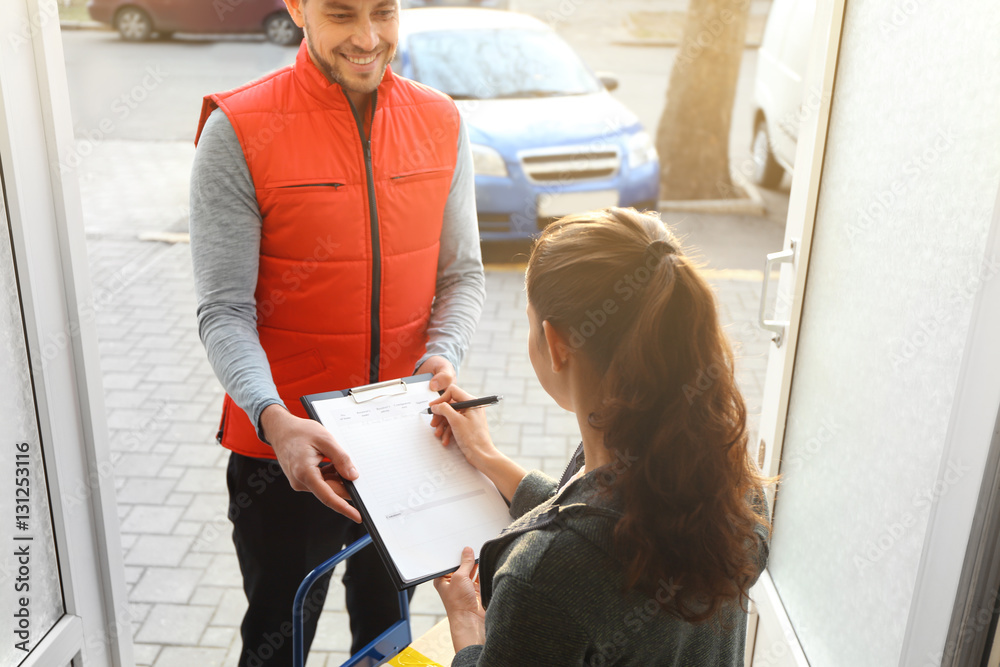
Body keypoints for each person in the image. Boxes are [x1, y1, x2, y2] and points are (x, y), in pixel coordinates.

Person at [188, 0, 485, 664]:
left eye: (383, 11)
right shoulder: (237, 129)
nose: (368, 37)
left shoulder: (442, 120)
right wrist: (272, 417)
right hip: (284, 461)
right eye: (342, 13)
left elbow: (464, 275)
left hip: (404, 450)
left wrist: (444, 352)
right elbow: (224, 309)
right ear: (297, 8)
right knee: (275, 638)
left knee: (387, 630)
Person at [428, 207, 771, 665]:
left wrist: (469, 625)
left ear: (555, 343)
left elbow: (581, 545)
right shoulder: (729, 480)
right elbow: (610, 521)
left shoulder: (540, 580)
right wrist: (487, 456)